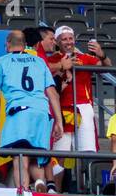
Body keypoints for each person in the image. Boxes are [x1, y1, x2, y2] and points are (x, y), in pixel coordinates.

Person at [0, 29, 64, 190]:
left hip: (19, 112)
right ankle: (40, 182)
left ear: (7, 45)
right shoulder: (39, 61)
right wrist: (59, 121)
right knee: (35, 155)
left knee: (20, 157)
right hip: (42, 112)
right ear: (25, 45)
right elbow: (53, 93)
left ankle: (23, 191)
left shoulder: (2, 62)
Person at [47, 25, 109, 156]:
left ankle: (87, 177)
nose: (69, 42)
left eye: (71, 38)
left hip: (84, 107)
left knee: (87, 153)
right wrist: (62, 67)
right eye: (64, 39)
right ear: (57, 42)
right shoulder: (52, 59)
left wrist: (102, 55)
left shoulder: (85, 57)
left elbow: (106, 67)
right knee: (59, 155)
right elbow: (44, 71)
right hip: (61, 109)